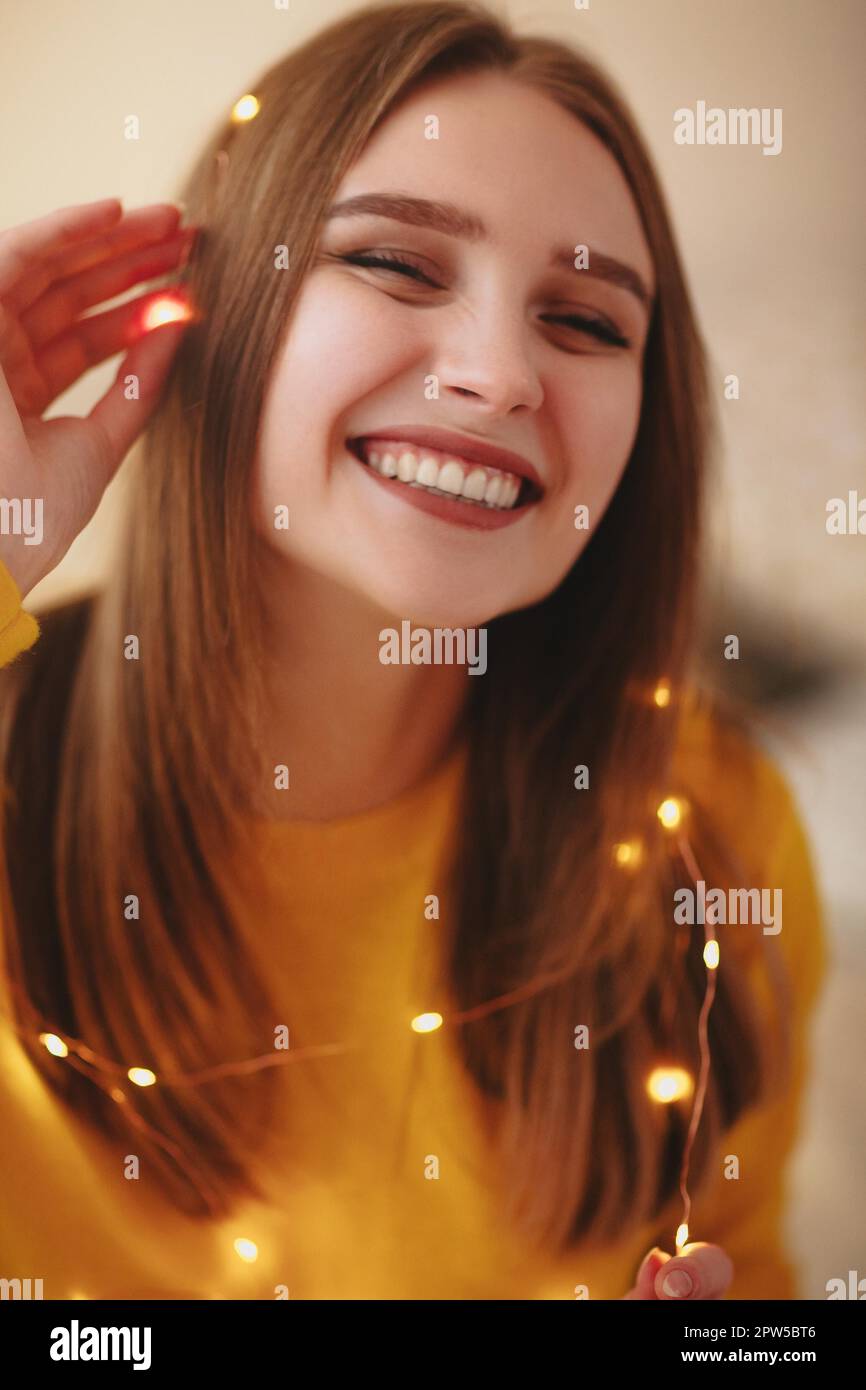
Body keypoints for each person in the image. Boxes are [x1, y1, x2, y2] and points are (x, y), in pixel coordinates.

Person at [0, 1, 825, 1300]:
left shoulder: (713, 825)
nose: (499, 372)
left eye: (589, 321)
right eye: (393, 263)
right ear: (198, 317)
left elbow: (757, 1266)